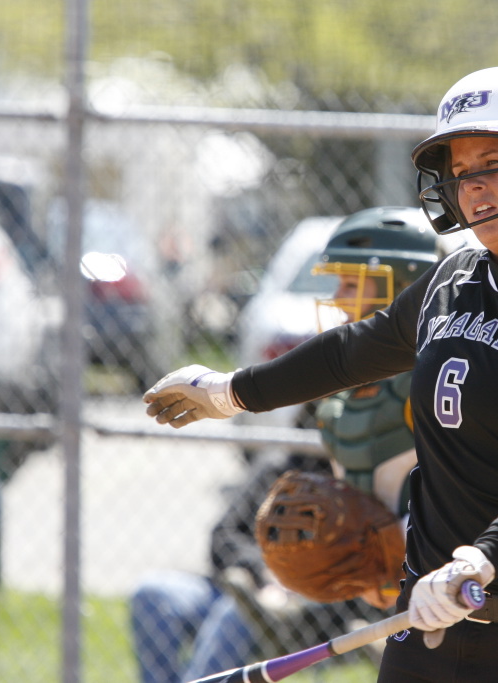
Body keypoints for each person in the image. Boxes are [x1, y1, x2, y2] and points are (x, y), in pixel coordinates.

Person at [144, 65, 498, 682]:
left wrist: (481, 559)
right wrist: (228, 392)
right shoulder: (451, 280)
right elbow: (352, 352)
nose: (473, 189)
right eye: (460, 173)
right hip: (431, 619)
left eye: (492, 163)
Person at [130, 206, 440, 682]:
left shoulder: (439, 386)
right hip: (296, 574)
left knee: (237, 620)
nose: (337, 297)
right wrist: (262, 570)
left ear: (408, 286)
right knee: (162, 597)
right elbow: (262, 490)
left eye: (354, 283)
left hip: (383, 584)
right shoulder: (334, 388)